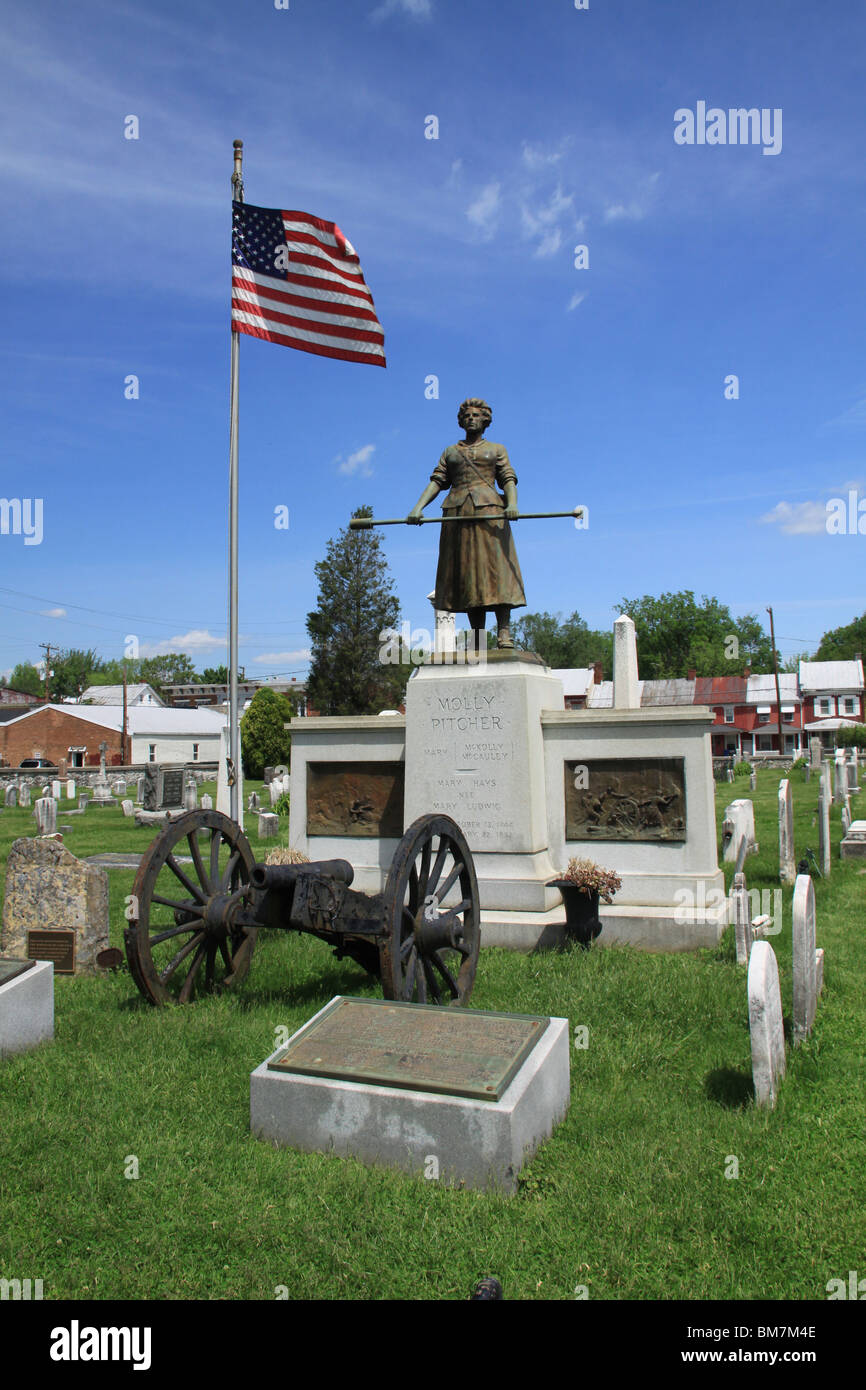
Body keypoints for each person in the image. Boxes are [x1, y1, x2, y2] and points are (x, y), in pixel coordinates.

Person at [408, 398, 526, 649]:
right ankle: (478, 638)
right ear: (461, 422)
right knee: (469, 575)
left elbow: (508, 478)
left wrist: (512, 504)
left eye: (476, 415)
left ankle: (504, 633)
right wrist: (418, 508)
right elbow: (437, 481)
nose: (471, 419)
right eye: (467, 416)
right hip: (458, 515)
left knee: (497, 572)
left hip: (491, 514)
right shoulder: (451, 452)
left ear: (485, 420)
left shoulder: (497, 449)